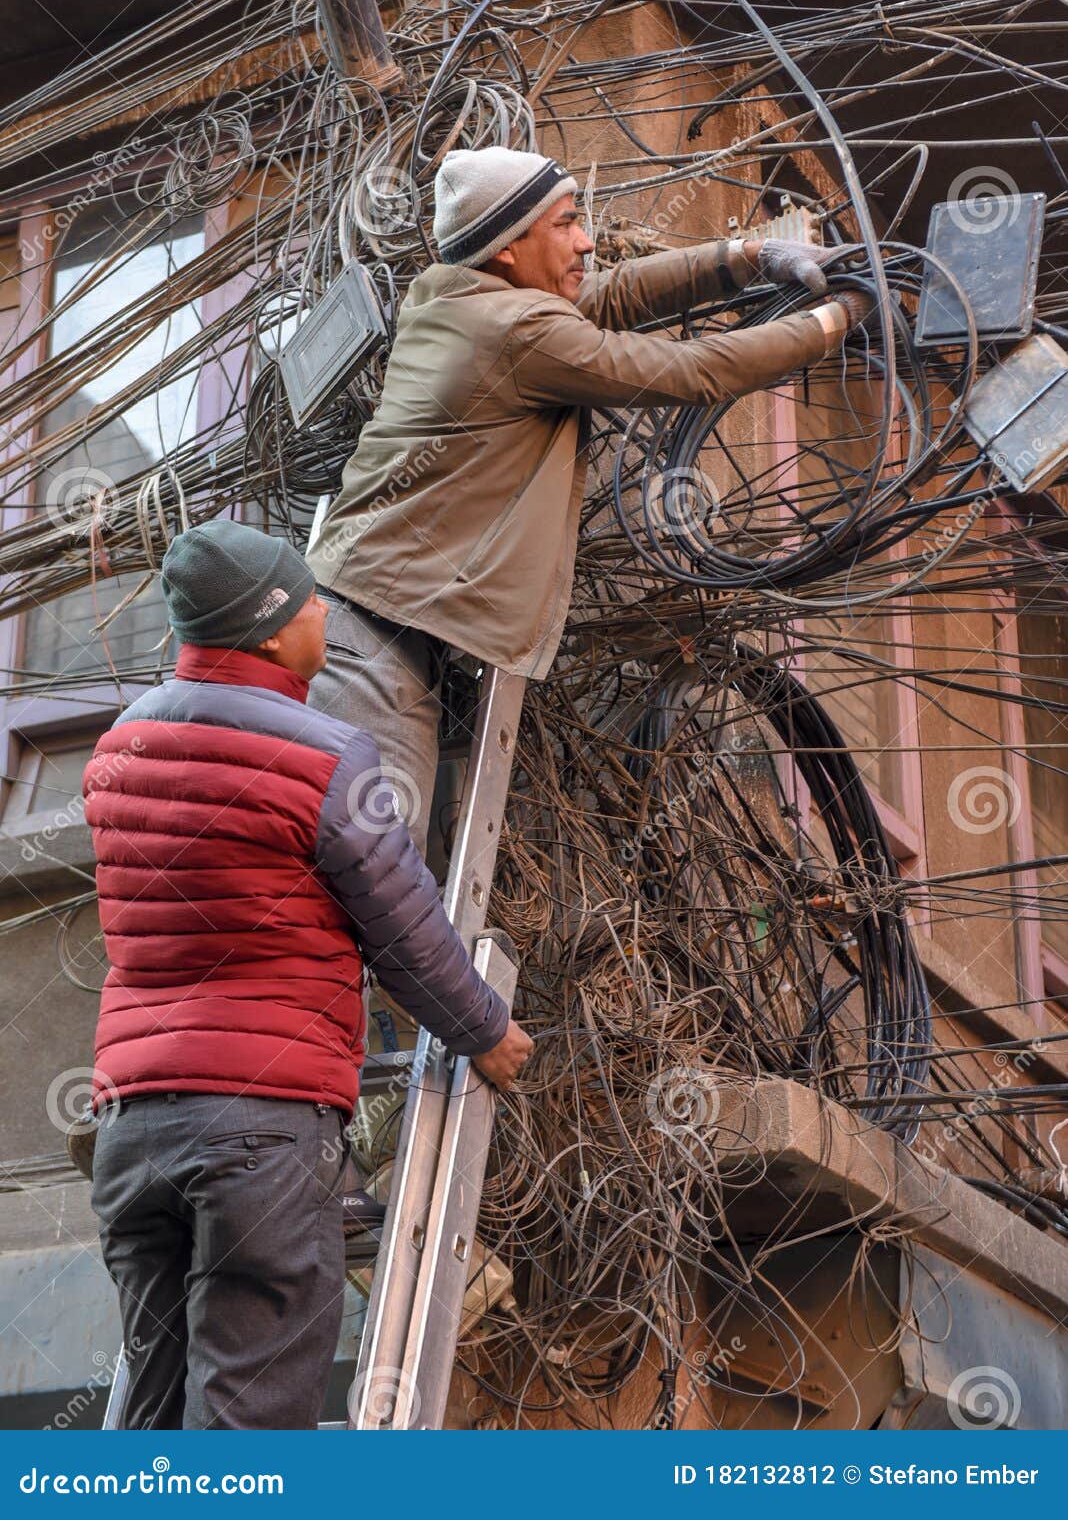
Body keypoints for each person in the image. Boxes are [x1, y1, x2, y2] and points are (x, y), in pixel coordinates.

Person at [84, 518, 533, 1430]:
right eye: (307, 599)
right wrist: (488, 1029)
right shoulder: (326, 756)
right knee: (247, 1418)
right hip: (259, 1132)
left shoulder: (116, 749)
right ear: (270, 627)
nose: (324, 610)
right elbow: (404, 928)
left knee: (150, 1414)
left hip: (130, 1131)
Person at [306, 145, 872, 855]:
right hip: (372, 639)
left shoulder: (461, 298)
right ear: (509, 248)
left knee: (385, 870)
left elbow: (621, 293)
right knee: (376, 874)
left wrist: (752, 255)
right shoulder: (518, 333)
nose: (586, 241)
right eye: (566, 224)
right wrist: (835, 320)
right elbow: (693, 372)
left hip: (380, 620)